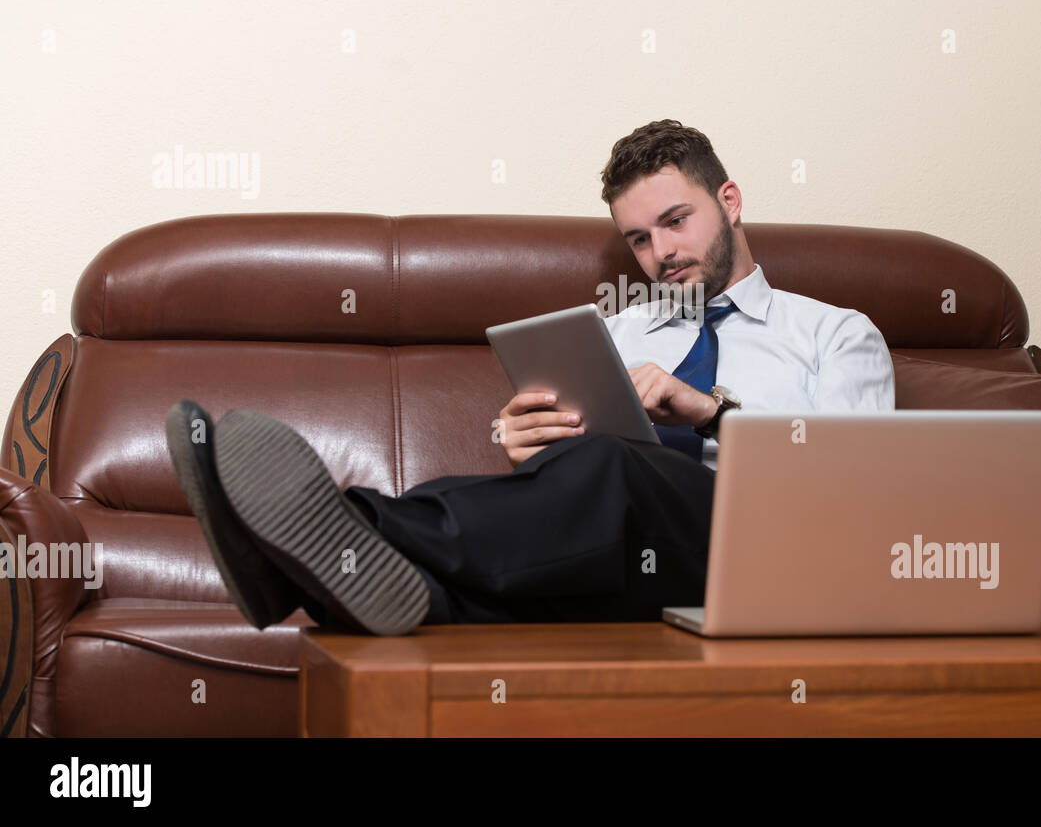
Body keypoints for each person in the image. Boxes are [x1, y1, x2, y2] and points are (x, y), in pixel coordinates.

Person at [165, 120, 895, 635]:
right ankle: (341, 581)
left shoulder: (835, 333)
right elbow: (579, 476)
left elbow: (856, 496)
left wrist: (709, 414)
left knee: (615, 464)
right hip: (632, 564)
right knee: (539, 530)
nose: (661, 252)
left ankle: (348, 524)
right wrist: (536, 452)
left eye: (676, 220)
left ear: (729, 201)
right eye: (638, 238)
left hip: (768, 551)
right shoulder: (617, 331)